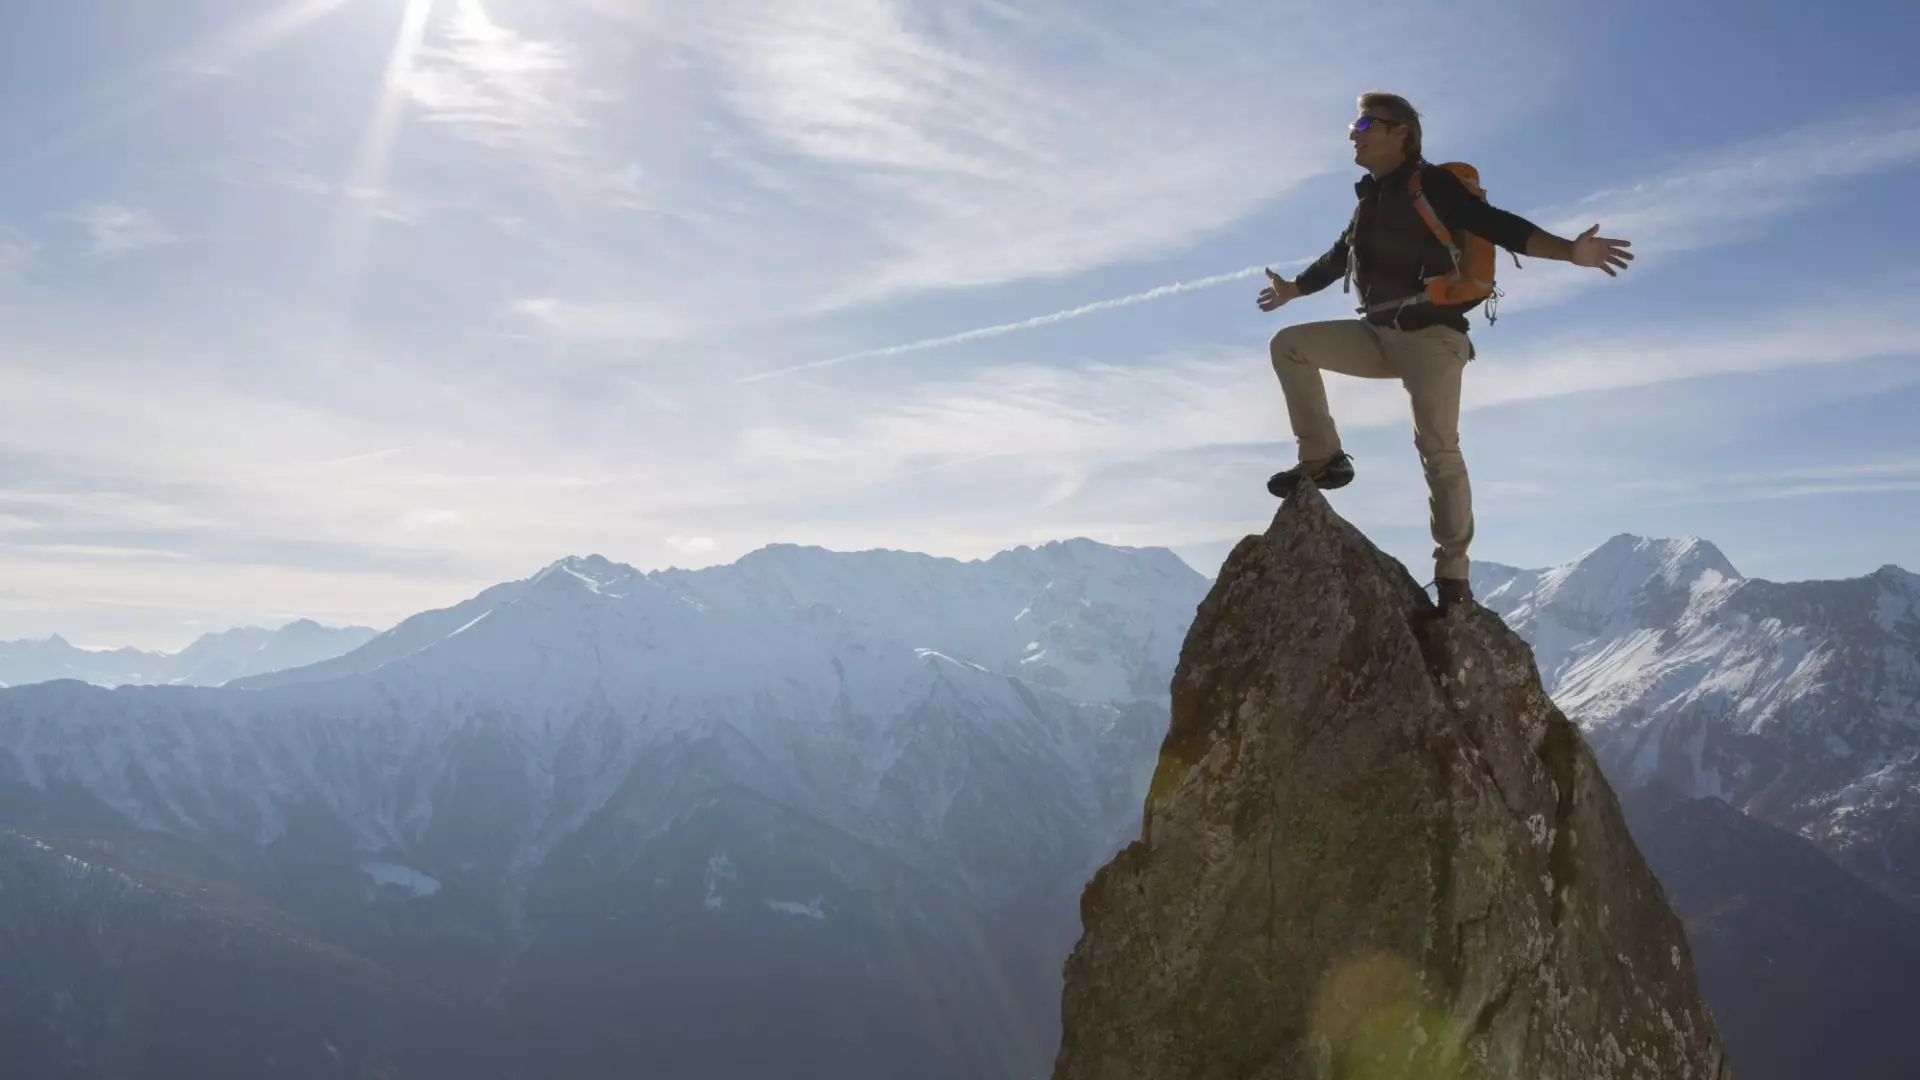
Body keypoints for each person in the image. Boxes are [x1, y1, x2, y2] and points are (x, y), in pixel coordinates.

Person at [1257, 91, 1632, 615]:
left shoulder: (1431, 185)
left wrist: (1570, 250)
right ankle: (1322, 460)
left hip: (1432, 339)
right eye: (1354, 123)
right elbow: (1339, 256)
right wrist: (1294, 289)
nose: (1354, 132)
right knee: (1290, 345)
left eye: (1366, 123)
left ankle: (1453, 575)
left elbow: (1497, 225)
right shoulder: (1369, 200)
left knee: (1437, 448)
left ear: (1401, 133)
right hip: (1378, 334)